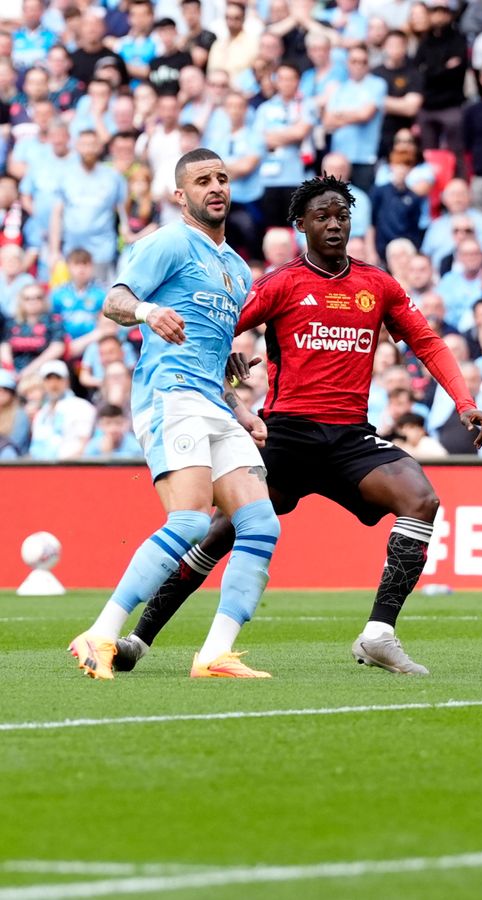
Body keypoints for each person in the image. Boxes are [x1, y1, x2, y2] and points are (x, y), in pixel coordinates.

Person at [117, 174, 482, 678]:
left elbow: (426, 341)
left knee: (421, 499)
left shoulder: (377, 285)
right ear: (301, 226)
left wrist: (464, 401)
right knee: (222, 530)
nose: (334, 224)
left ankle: (379, 634)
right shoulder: (281, 283)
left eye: (342, 216)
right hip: (286, 434)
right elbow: (218, 327)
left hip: (349, 437)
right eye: (323, 217)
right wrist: (225, 356)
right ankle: (139, 638)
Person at [66, 148, 279, 681]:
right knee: (187, 521)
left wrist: (237, 397)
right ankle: (99, 634)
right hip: (170, 397)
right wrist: (147, 311)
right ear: (181, 196)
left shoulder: (235, 267)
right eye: (203, 180)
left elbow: (207, 351)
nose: (216, 187)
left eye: (223, 179)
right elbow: (115, 301)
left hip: (211, 402)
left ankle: (214, 655)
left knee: (260, 523)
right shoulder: (167, 241)